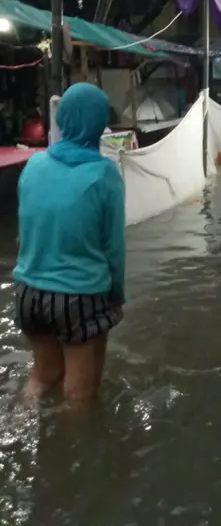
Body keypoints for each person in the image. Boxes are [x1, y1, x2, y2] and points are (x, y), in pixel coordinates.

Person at [14, 82, 126, 404]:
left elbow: (25, 231)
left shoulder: (33, 165)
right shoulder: (104, 175)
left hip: (28, 293)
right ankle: (74, 453)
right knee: (79, 393)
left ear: (62, 119)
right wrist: (116, 295)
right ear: (98, 124)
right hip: (80, 298)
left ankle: (20, 424)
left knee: (42, 376)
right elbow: (114, 248)